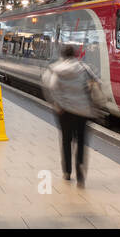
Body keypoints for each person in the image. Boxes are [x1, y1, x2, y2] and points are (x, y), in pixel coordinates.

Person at [42, 45, 101, 186]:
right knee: (81, 141)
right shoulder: (85, 68)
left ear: (62, 55)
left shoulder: (55, 69)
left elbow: (51, 87)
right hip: (83, 112)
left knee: (66, 141)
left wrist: (57, 104)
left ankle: (67, 171)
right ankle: (80, 171)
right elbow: (96, 83)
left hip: (64, 112)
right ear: (75, 55)